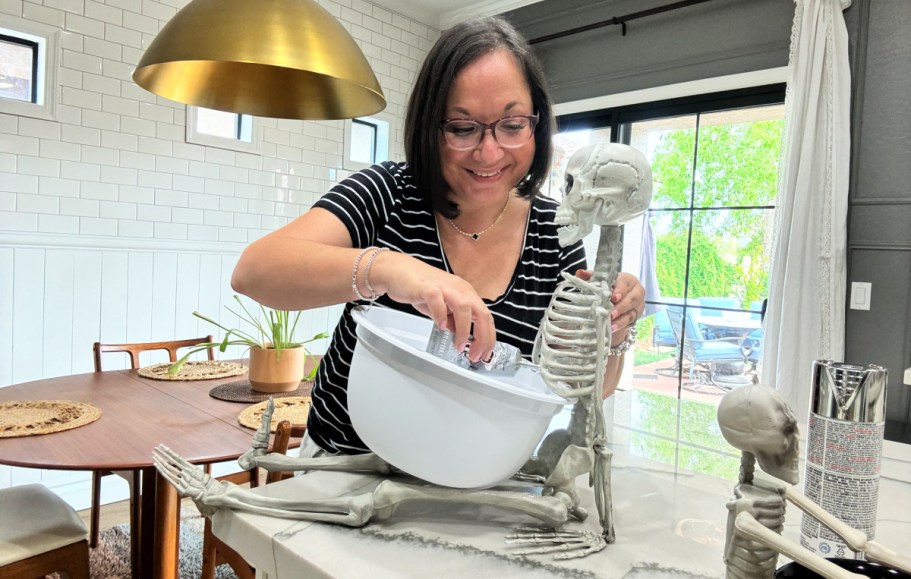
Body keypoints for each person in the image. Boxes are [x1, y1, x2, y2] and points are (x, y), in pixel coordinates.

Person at [231, 17, 645, 455]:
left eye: (512, 124)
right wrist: (390, 268)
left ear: (536, 125)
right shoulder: (388, 193)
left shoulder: (553, 231)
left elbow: (591, 390)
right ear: (431, 127)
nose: (489, 152)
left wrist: (612, 332)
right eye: (462, 128)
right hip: (345, 469)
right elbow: (254, 270)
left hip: (476, 477)